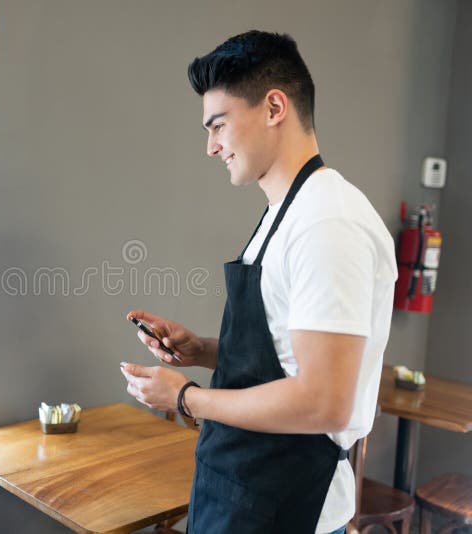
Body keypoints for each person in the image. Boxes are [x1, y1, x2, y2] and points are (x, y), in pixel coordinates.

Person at [120, 30, 397, 534]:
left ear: (274, 107)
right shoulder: (285, 213)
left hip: (287, 503)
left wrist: (185, 399)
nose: (211, 147)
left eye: (218, 125)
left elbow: (322, 400)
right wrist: (204, 350)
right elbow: (288, 358)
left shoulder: (328, 222)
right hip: (243, 490)